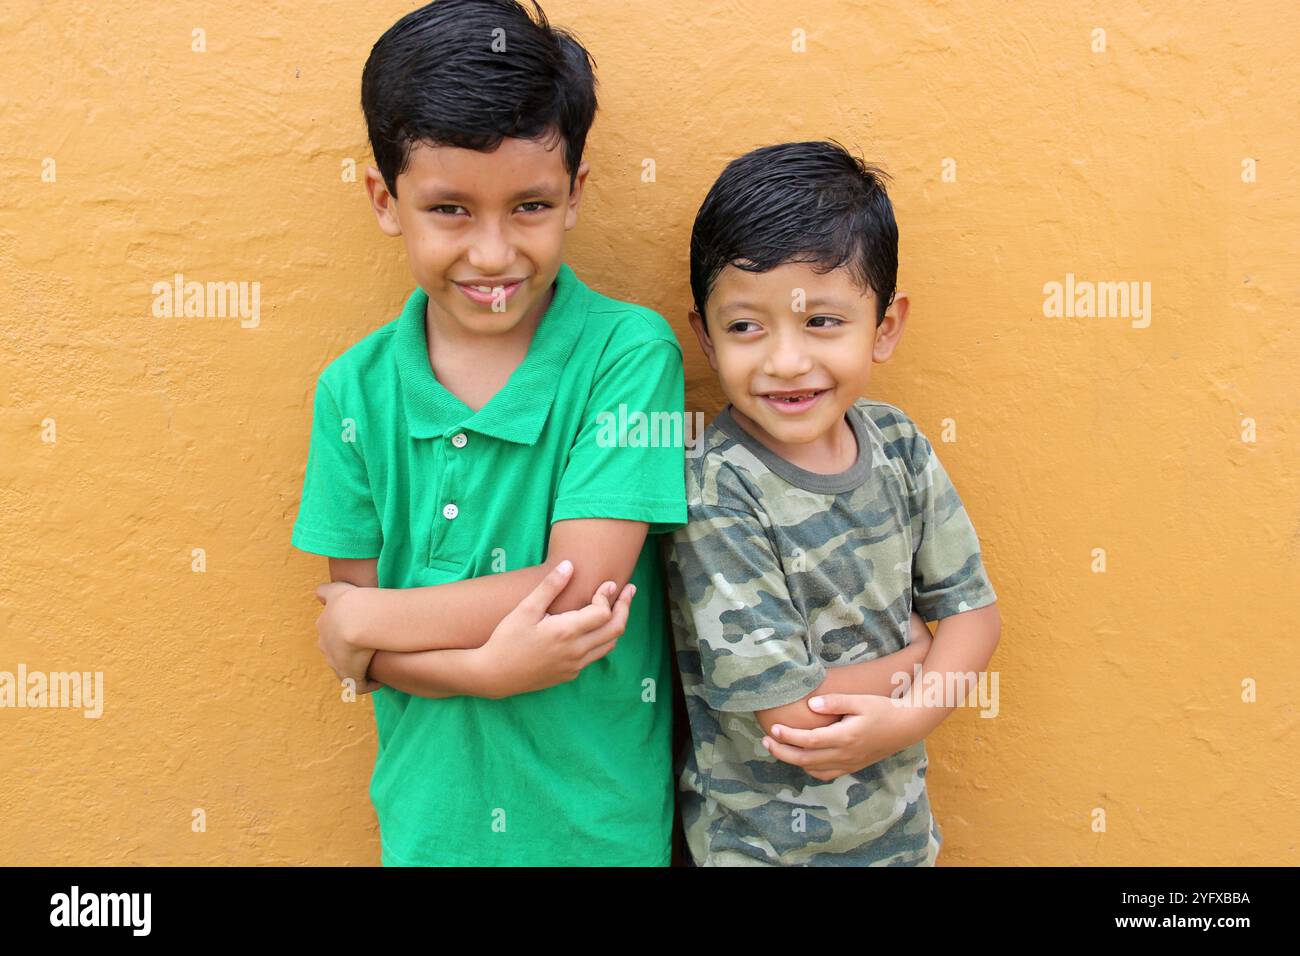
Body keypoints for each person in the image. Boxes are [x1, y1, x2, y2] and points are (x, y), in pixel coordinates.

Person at [291, 0, 687, 866]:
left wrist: (370, 622)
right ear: (384, 199)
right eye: (451, 211)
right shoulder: (353, 392)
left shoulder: (627, 354)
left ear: (576, 194)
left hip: (595, 832)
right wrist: (478, 667)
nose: (495, 253)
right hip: (430, 829)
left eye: (531, 205)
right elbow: (358, 640)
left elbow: (578, 590)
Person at [665, 140, 1002, 866]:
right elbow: (790, 715)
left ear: (884, 328)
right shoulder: (717, 486)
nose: (786, 361)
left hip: (899, 838)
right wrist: (918, 655)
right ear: (706, 335)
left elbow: (974, 614)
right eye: (746, 326)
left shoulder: (900, 446)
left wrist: (906, 718)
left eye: (822, 321)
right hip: (755, 850)